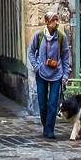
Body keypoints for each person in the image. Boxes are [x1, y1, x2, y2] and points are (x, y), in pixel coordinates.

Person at [28, 10, 72, 139]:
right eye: (53, 20)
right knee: (42, 103)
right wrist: (36, 66)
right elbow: (30, 52)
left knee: (53, 103)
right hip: (41, 73)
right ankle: (45, 125)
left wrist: (65, 75)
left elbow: (65, 56)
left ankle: (49, 130)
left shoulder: (61, 37)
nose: (56, 23)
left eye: (57, 20)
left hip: (56, 74)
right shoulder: (39, 35)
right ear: (47, 22)